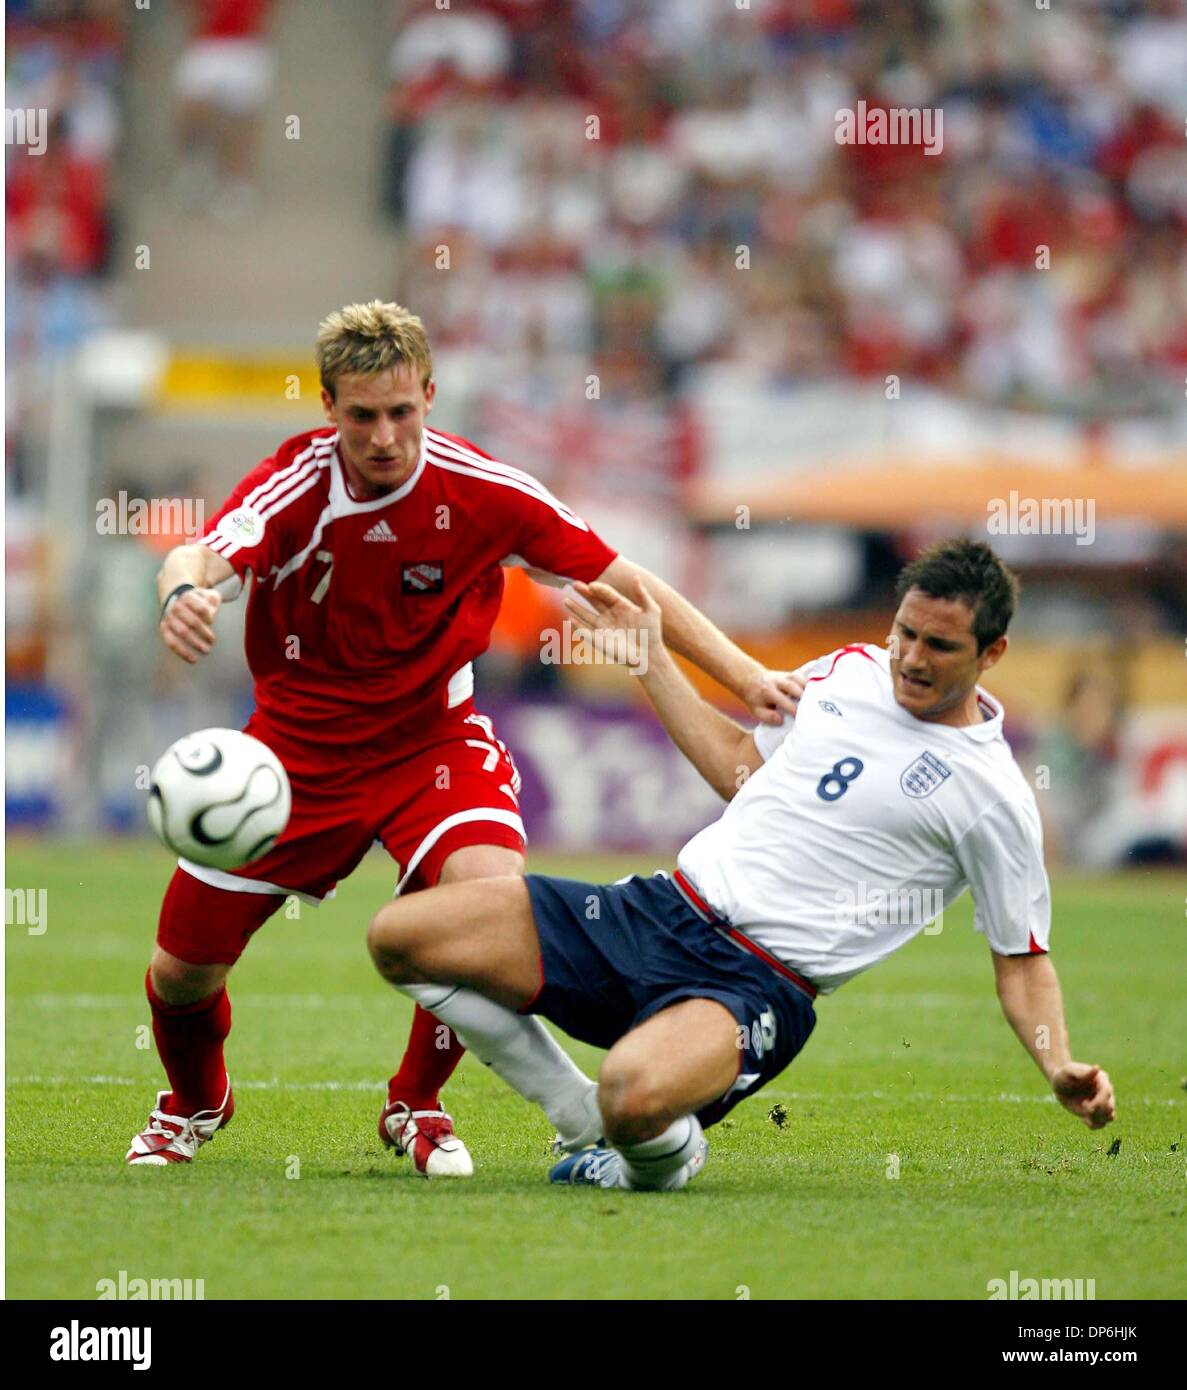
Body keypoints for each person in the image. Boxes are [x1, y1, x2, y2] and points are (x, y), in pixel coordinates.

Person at [127, 299, 798, 1172]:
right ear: (328, 407)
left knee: (485, 904)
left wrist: (743, 677)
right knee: (180, 974)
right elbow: (203, 556)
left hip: (431, 743)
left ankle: (417, 1103)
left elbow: (625, 580)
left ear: (429, 398)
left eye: (401, 412)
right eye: (361, 415)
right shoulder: (293, 484)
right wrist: (182, 594)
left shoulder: (484, 491)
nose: (383, 436)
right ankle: (192, 1101)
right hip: (294, 757)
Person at [366, 539, 1117, 1191]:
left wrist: (1057, 1064)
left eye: (940, 647)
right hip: (657, 910)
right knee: (402, 936)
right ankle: (572, 1112)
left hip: (754, 983)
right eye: (904, 634)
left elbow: (1020, 961)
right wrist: (652, 661)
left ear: (992, 653)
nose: (912, 659)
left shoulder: (994, 796)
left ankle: (651, 1158)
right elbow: (736, 769)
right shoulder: (849, 671)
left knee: (631, 1098)